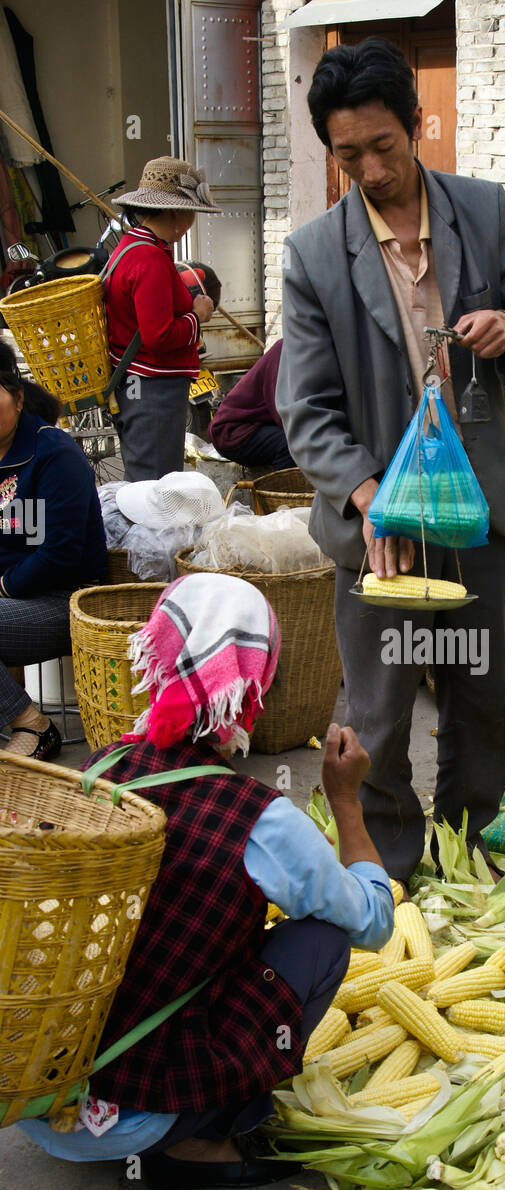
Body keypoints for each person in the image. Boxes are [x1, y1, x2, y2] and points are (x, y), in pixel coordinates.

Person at [277, 38, 505, 885]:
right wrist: (371, 500)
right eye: (348, 155)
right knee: (381, 713)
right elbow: (308, 410)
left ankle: (467, 852)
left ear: (416, 126)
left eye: (384, 147)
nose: (370, 168)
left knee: (482, 704)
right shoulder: (315, 257)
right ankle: (391, 870)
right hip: (382, 529)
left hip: (476, 507)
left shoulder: (482, 213)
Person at [17, 573, 394, 1190]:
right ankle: (200, 1140)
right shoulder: (262, 820)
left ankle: (120, 1110)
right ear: (255, 686)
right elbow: (374, 922)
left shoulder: (96, 770)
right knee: (322, 938)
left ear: (154, 654)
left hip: (44, 1096)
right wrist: (345, 801)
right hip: (146, 1113)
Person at [0, 342, 107, 761]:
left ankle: (34, 725)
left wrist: (5, 586)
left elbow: (60, 553)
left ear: (18, 395)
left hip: (65, 599)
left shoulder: (54, 454)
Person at [104, 158, 221, 483]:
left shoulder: (136, 246)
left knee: (151, 482)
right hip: (151, 389)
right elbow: (158, 335)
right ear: (175, 213)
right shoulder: (149, 257)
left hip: (143, 385)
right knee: (153, 487)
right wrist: (198, 316)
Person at [209, 340, 296, 475]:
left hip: (259, 425)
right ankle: (283, 493)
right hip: (232, 431)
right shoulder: (286, 351)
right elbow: (282, 408)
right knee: (291, 445)